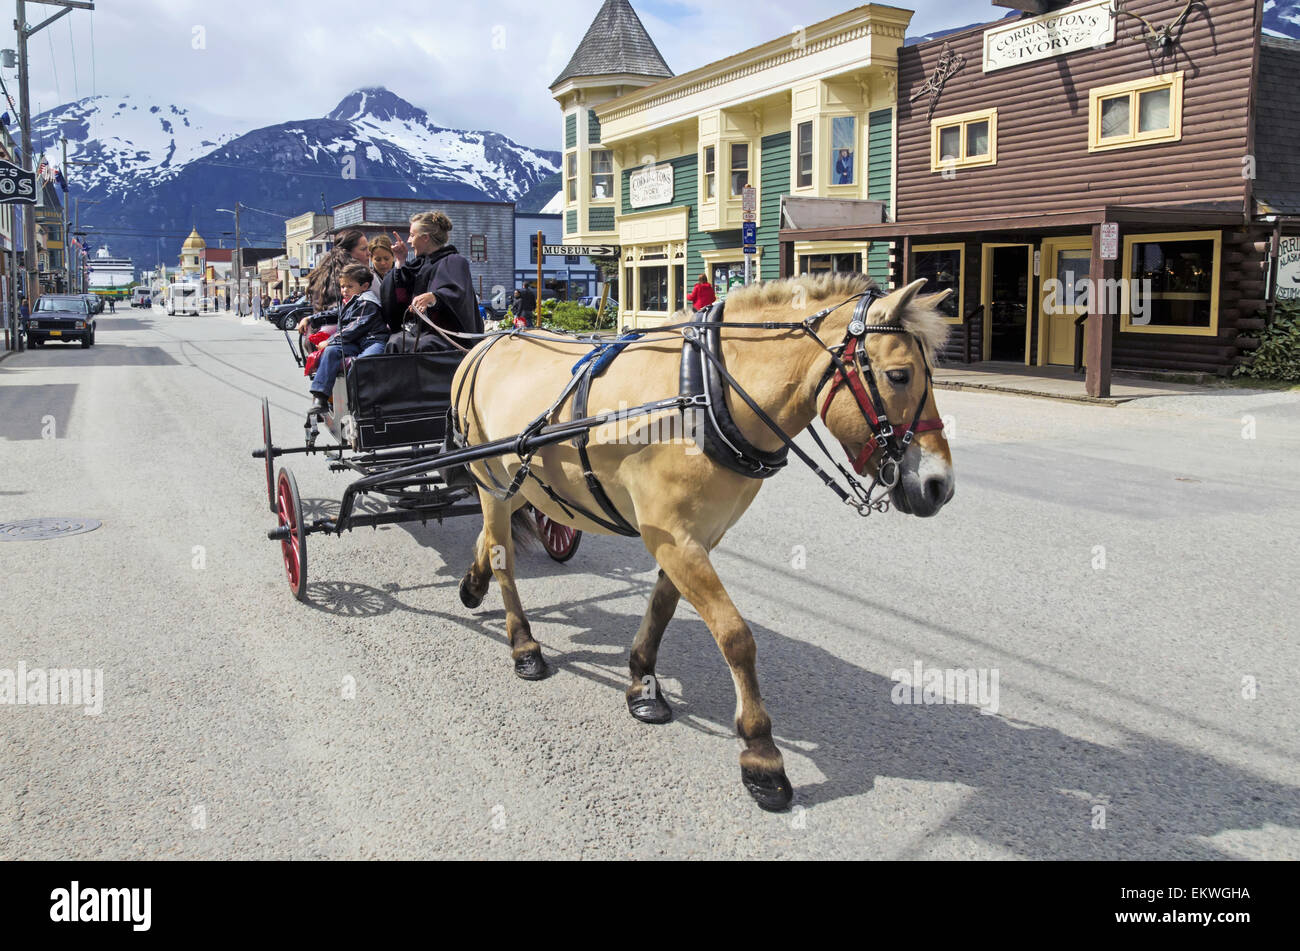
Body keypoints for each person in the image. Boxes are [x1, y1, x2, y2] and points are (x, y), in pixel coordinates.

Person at [383, 210, 482, 351]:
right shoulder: (420, 264)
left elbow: (458, 293)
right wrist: (400, 259)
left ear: (425, 238)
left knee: (422, 347)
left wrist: (434, 297)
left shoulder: (454, 261)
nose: (409, 241)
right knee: (395, 341)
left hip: (449, 336)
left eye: (412, 235)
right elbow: (400, 290)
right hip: (422, 332)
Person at [308, 263, 389, 414]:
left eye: (349, 286)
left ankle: (358, 399)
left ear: (364, 286)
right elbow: (335, 314)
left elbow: (356, 326)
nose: (344, 290)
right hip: (355, 343)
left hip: (372, 341)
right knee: (332, 351)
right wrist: (311, 319)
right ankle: (320, 397)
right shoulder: (351, 302)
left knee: (362, 363)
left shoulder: (367, 302)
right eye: (342, 286)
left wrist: (330, 340)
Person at [298, 229, 370, 334]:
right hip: (342, 336)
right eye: (363, 249)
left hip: (314, 332)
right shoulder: (357, 276)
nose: (369, 253)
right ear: (348, 252)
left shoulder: (322, 273)